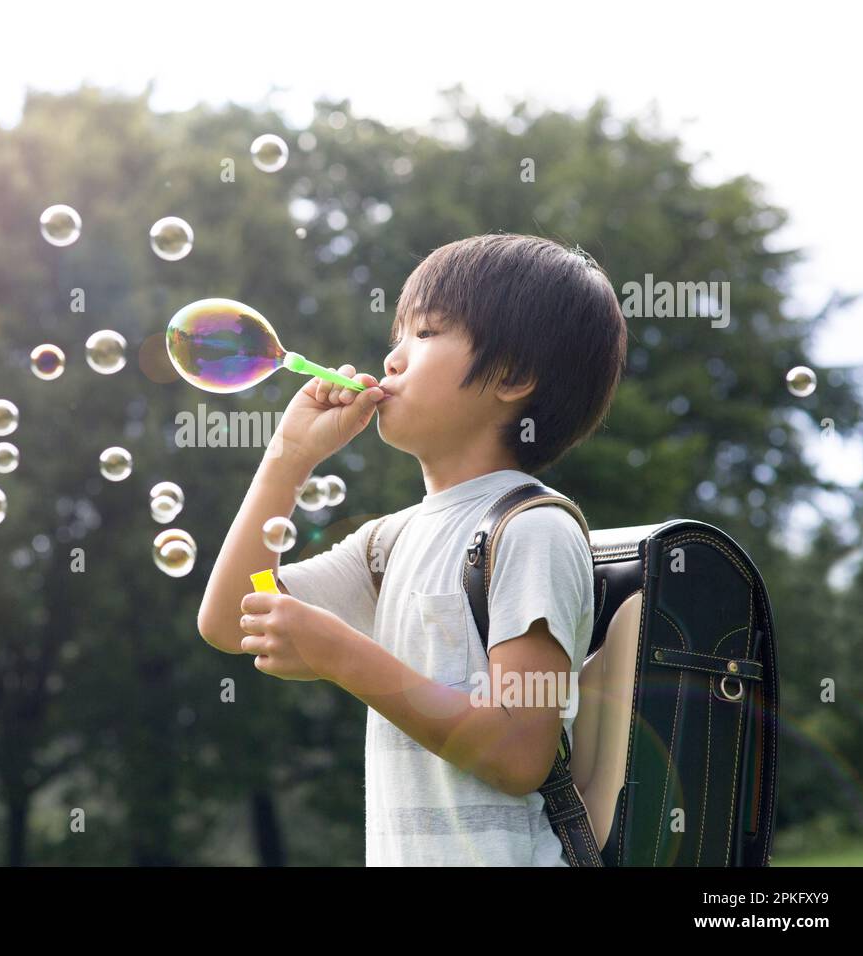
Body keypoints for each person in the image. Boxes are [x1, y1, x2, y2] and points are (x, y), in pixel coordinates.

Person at [197, 233, 628, 865]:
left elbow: (518, 753)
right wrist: (289, 459)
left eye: (425, 334)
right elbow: (233, 618)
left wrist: (341, 655)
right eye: (397, 337)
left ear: (511, 377)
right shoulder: (391, 541)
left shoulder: (531, 528)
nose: (393, 359)